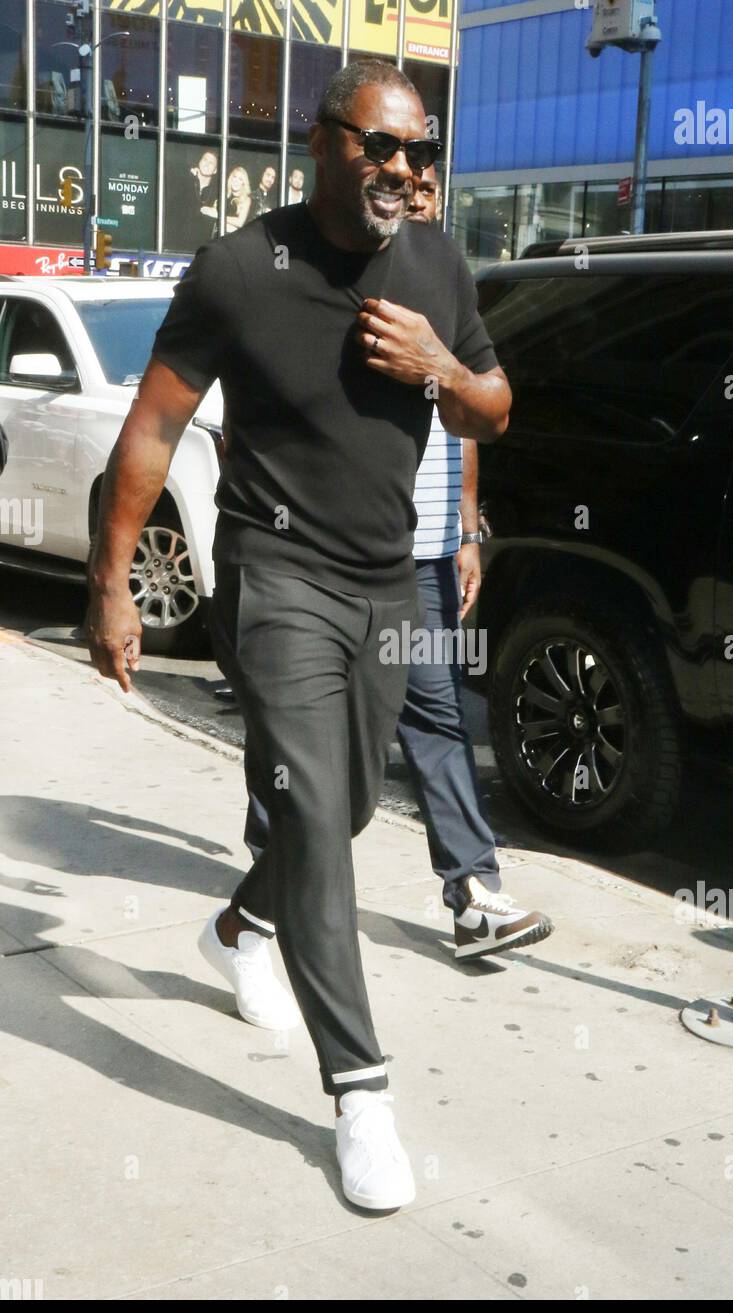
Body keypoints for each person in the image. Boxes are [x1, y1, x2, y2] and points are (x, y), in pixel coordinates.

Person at [85, 59, 511, 1213]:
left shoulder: (435, 262)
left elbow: (493, 406)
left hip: (386, 582)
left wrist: (437, 365)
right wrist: (113, 585)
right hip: (274, 577)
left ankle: (241, 926)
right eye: (380, 146)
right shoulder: (237, 269)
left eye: (419, 151)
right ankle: (360, 1094)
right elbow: (151, 430)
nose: (403, 169)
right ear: (321, 142)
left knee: (350, 806)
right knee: (318, 813)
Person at [243, 165, 554, 960]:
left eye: (427, 191)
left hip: (423, 556)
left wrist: (466, 530)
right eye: (401, 188)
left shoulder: (444, 289)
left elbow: (470, 417)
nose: (415, 201)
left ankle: (473, 893)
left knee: (437, 716)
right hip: (331, 552)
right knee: (302, 724)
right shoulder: (345, 289)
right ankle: (275, 870)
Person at [224, 166, 252, 232]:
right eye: (235, 177)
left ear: (244, 183)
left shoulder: (246, 200)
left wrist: (219, 216)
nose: (236, 181)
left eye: (240, 179)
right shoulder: (224, 194)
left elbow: (240, 222)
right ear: (231, 179)